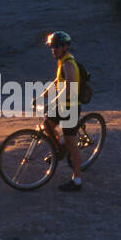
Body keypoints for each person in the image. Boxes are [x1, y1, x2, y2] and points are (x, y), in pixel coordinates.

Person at [41, 30, 85, 192]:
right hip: (63, 106)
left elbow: (70, 88)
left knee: (72, 144)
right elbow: (58, 82)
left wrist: (52, 101)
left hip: (71, 107)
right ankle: (59, 148)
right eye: (52, 47)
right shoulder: (62, 62)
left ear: (66, 47)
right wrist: (43, 95)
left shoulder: (68, 63)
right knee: (47, 124)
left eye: (57, 46)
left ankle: (77, 181)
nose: (54, 49)